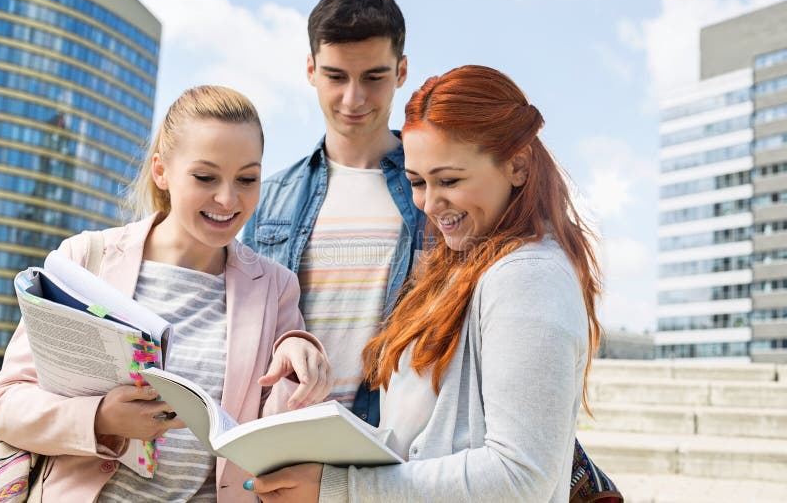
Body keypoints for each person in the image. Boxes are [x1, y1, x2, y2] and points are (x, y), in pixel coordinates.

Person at [246, 65, 603, 502]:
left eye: (450, 180)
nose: (431, 204)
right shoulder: (464, 264)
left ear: (518, 166)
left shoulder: (528, 277)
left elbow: (520, 476)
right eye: (417, 181)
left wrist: (339, 488)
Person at [0, 85, 332, 502]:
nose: (228, 198)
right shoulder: (85, 259)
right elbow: (6, 406)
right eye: (205, 177)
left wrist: (297, 362)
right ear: (161, 171)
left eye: (247, 178)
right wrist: (99, 419)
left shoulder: (275, 288)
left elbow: (273, 443)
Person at [241, 0, 423, 425]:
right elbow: (249, 330)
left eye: (374, 77)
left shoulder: (435, 195)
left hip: (395, 451)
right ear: (311, 69)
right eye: (336, 76)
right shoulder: (269, 199)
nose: (353, 98)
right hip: (289, 438)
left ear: (401, 72)